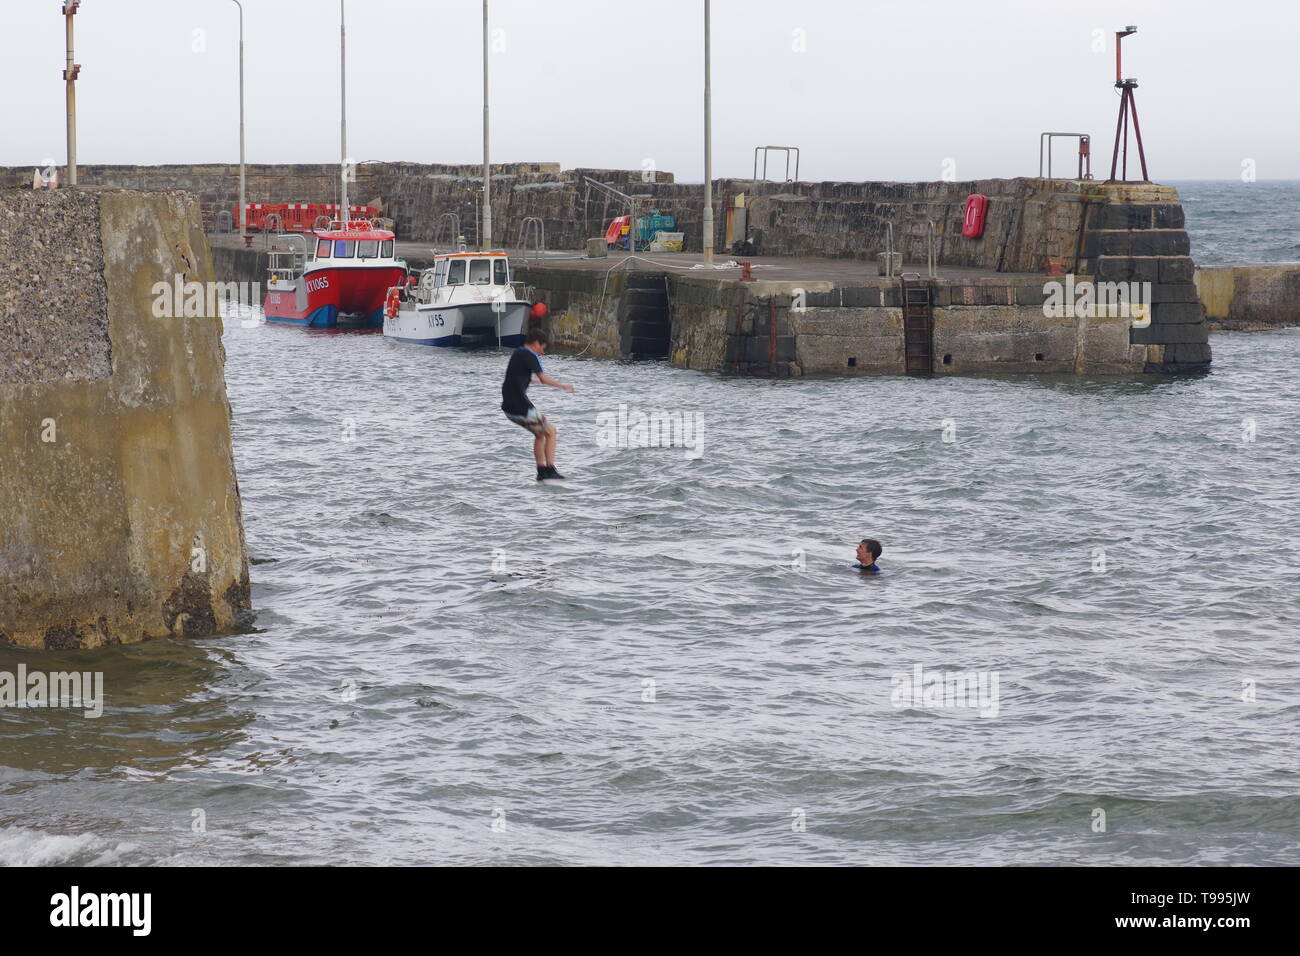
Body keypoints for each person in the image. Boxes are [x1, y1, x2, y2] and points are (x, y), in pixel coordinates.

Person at [501, 328, 574, 481]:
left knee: (539, 434)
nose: (542, 352)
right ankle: (550, 469)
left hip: (508, 408)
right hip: (520, 406)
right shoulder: (530, 356)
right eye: (542, 348)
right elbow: (543, 378)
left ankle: (541, 471)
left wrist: (530, 381)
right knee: (551, 432)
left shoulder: (517, 353)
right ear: (536, 344)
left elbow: (516, 377)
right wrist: (563, 386)